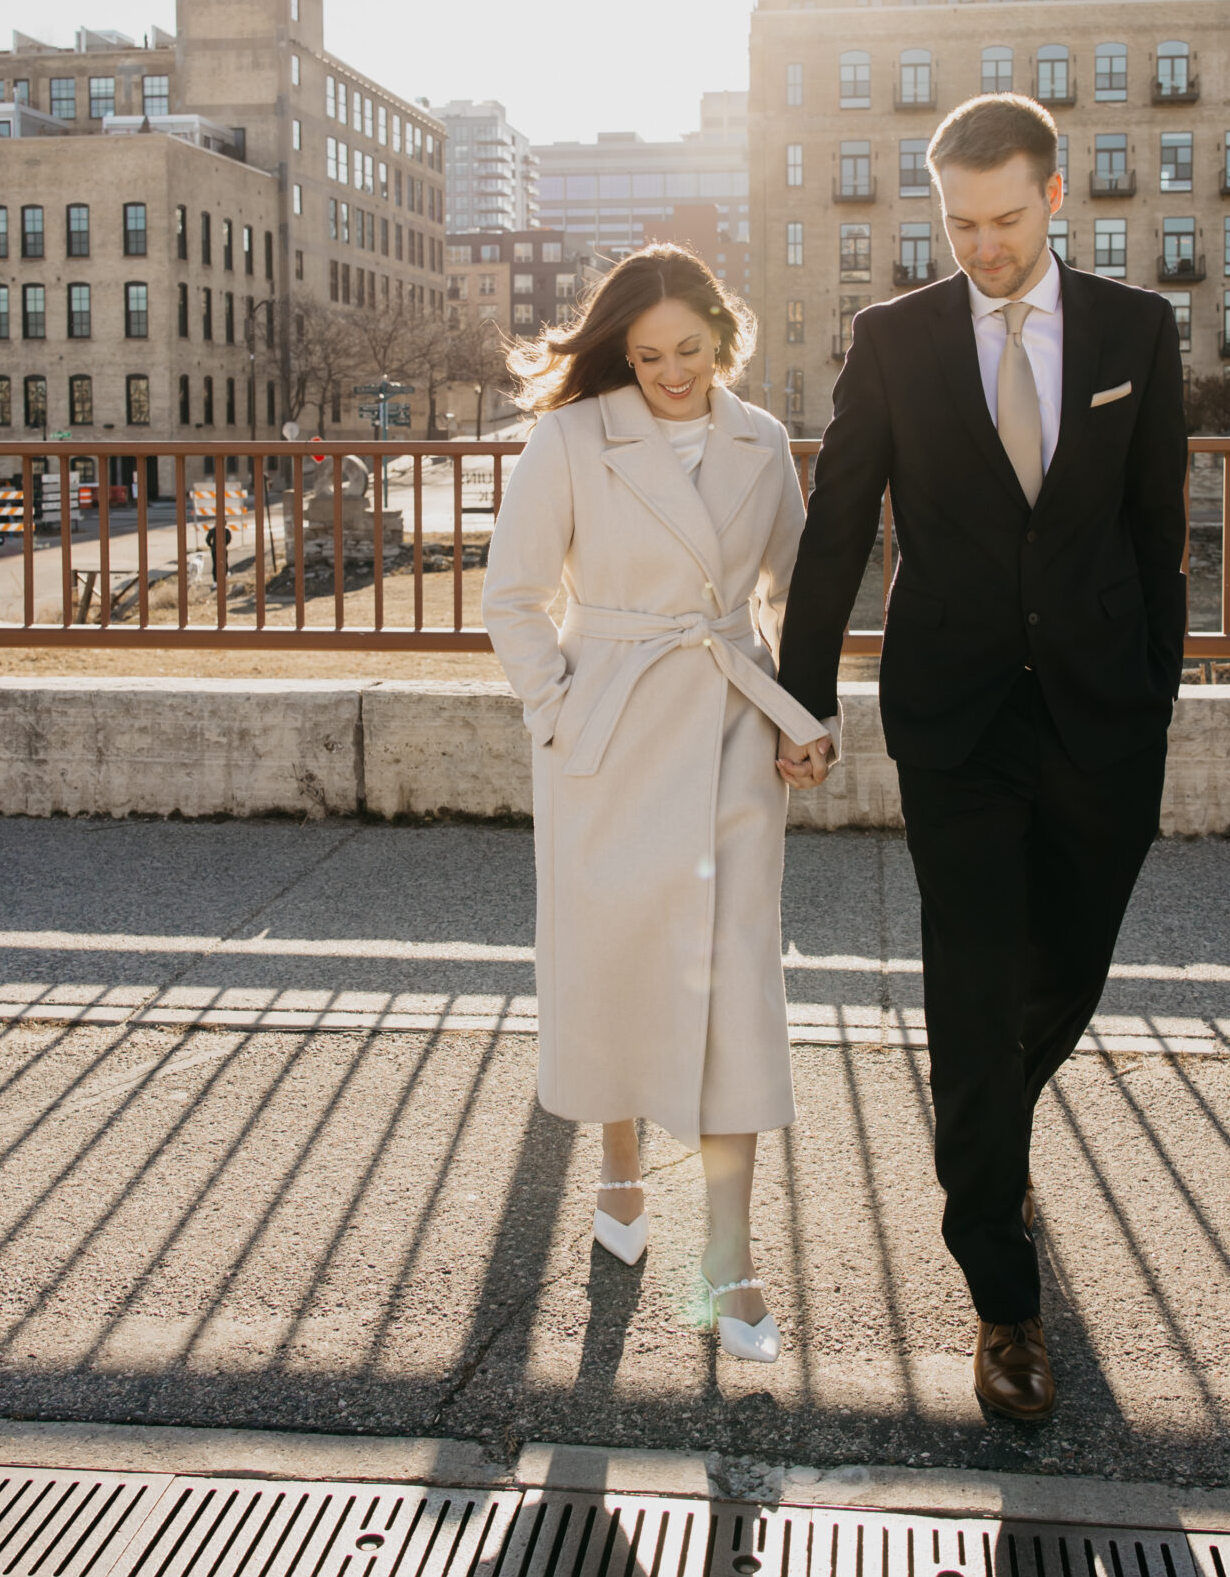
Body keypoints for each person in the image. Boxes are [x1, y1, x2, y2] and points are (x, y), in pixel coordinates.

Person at [773, 93, 1188, 1425]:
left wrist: (1152, 700)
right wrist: (799, 696)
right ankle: (1002, 1302)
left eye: (1005, 220)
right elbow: (836, 528)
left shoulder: (1136, 332)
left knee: (1064, 969)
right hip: (952, 717)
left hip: (1097, 714)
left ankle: (988, 1135)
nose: (983, 248)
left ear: (1053, 197)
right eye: (958, 224)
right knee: (967, 988)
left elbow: (1151, 537)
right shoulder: (892, 340)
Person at [482, 245, 837, 1364]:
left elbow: (796, 589)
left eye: (689, 350)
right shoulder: (572, 438)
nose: (671, 373)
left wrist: (805, 716)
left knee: (736, 984)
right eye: (647, 355)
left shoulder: (763, 442)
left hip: (730, 728)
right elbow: (515, 595)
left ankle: (729, 1259)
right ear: (618, 350)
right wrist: (558, 709)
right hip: (610, 732)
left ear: (720, 340)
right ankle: (621, 1162)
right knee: (618, 963)